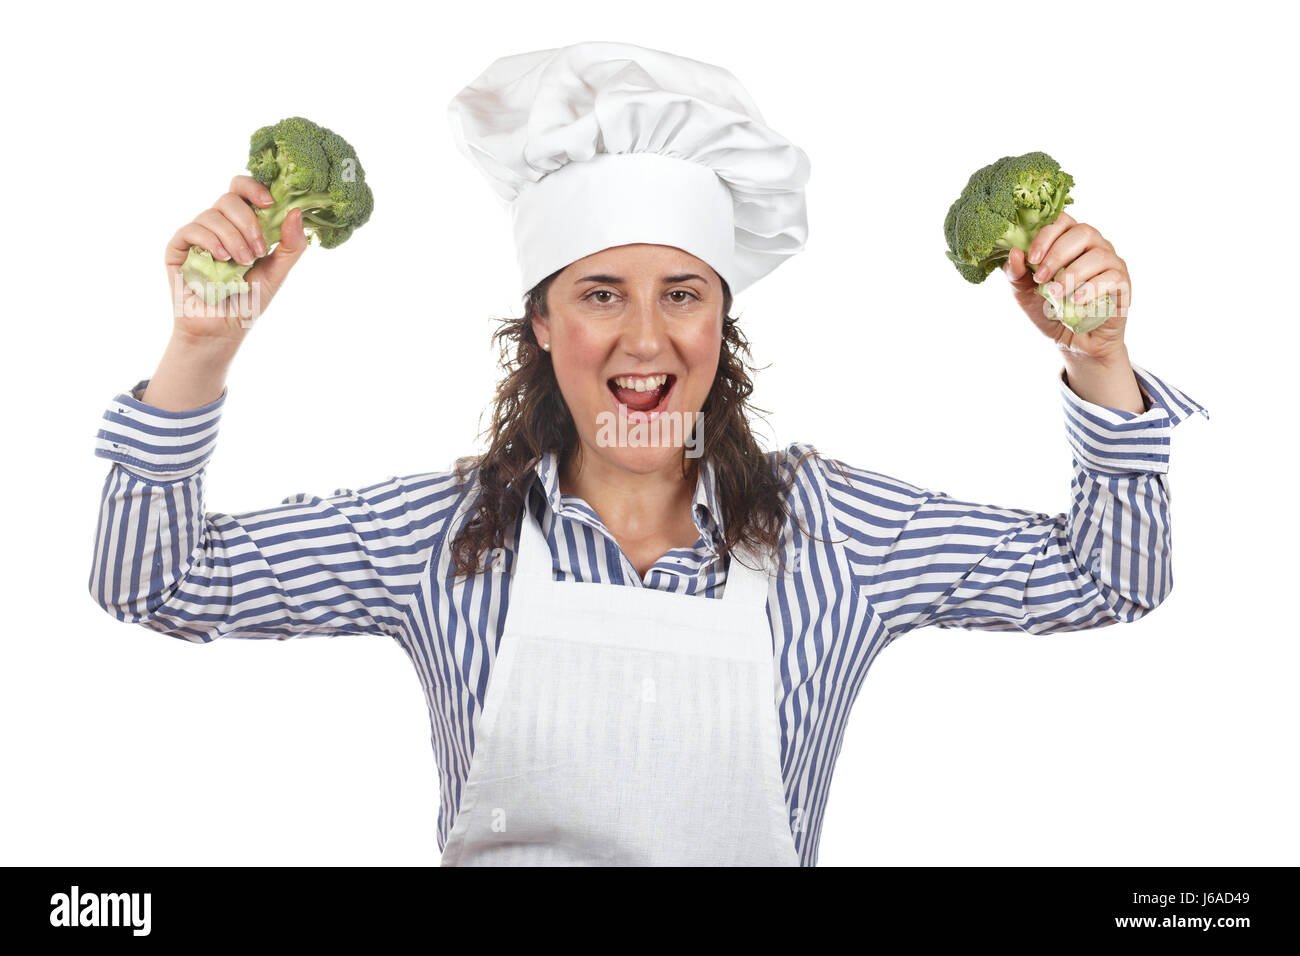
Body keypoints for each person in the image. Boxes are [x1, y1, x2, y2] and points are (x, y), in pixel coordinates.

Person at [88, 41, 1209, 867]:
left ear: (721, 322)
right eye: (598, 294)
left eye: (681, 294)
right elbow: (154, 581)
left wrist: (1099, 358)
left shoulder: (838, 533)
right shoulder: (443, 536)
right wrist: (202, 343)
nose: (642, 338)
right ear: (540, 321)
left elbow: (1111, 578)